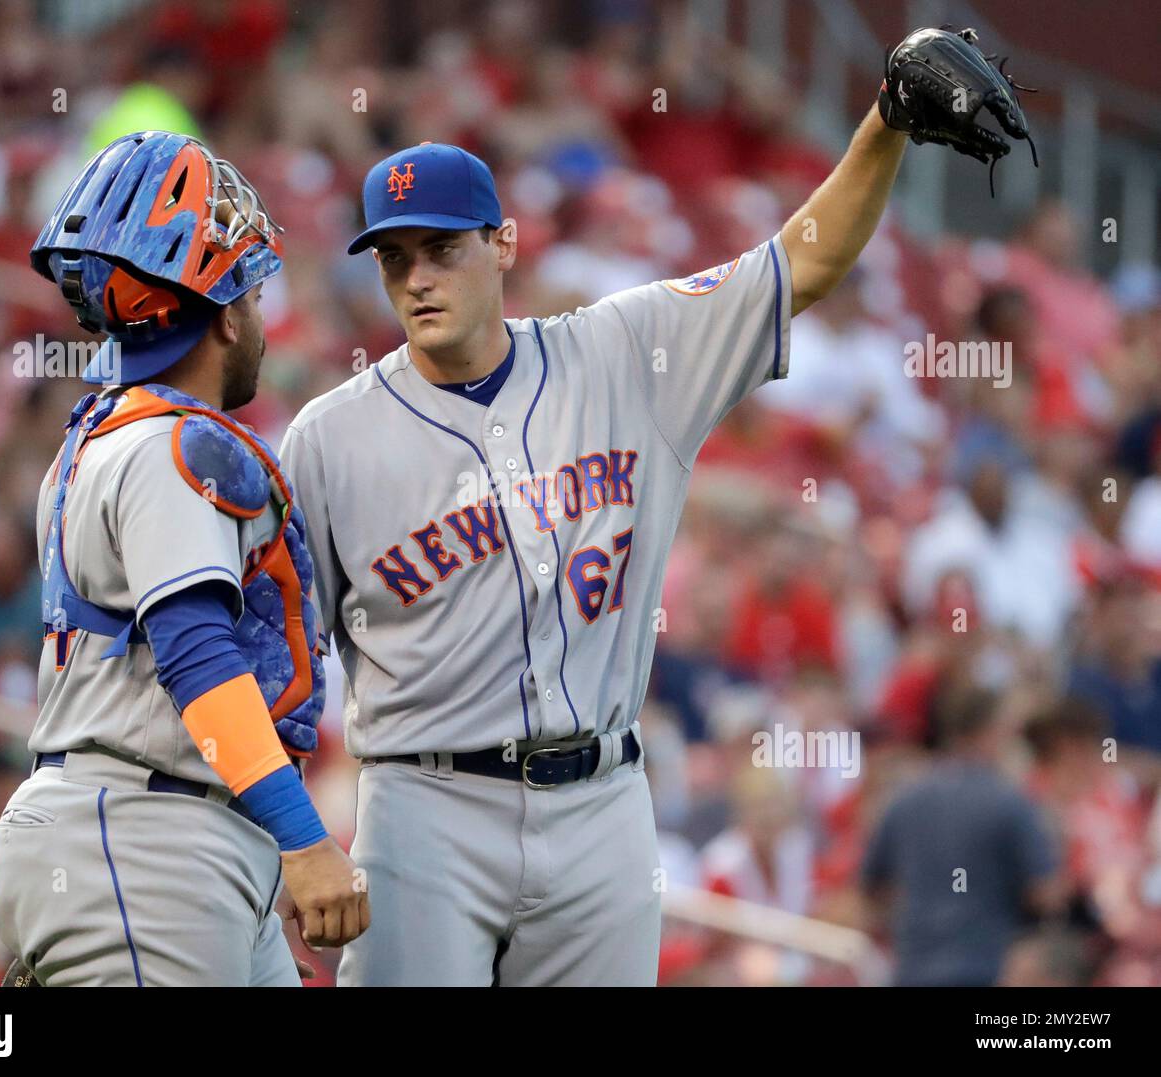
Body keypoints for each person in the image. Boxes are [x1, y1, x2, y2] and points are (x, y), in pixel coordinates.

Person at [280, 29, 1033, 986]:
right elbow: (283, 653)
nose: (418, 277)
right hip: (423, 806)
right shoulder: (328, 438)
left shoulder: (627, 353)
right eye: (393, 259)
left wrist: (883, 123)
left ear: (503, 243)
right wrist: (295, 836)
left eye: (441, 248)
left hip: (601, 801)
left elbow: (797, 264)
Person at [0, 131, 368, 986]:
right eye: (255, 294)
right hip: (144, 840)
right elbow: (196, 652)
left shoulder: (101, 436)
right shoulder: (173, 447)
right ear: (228, 311)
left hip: (154, 832)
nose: (263, 321)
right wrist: (306, 838)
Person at [861, 688, 1062, 986]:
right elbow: (1045, 893)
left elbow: (872, 886)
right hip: (986, 967)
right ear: (990, 731)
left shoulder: (905, 798)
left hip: (914, 967)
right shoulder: (1011, 801)